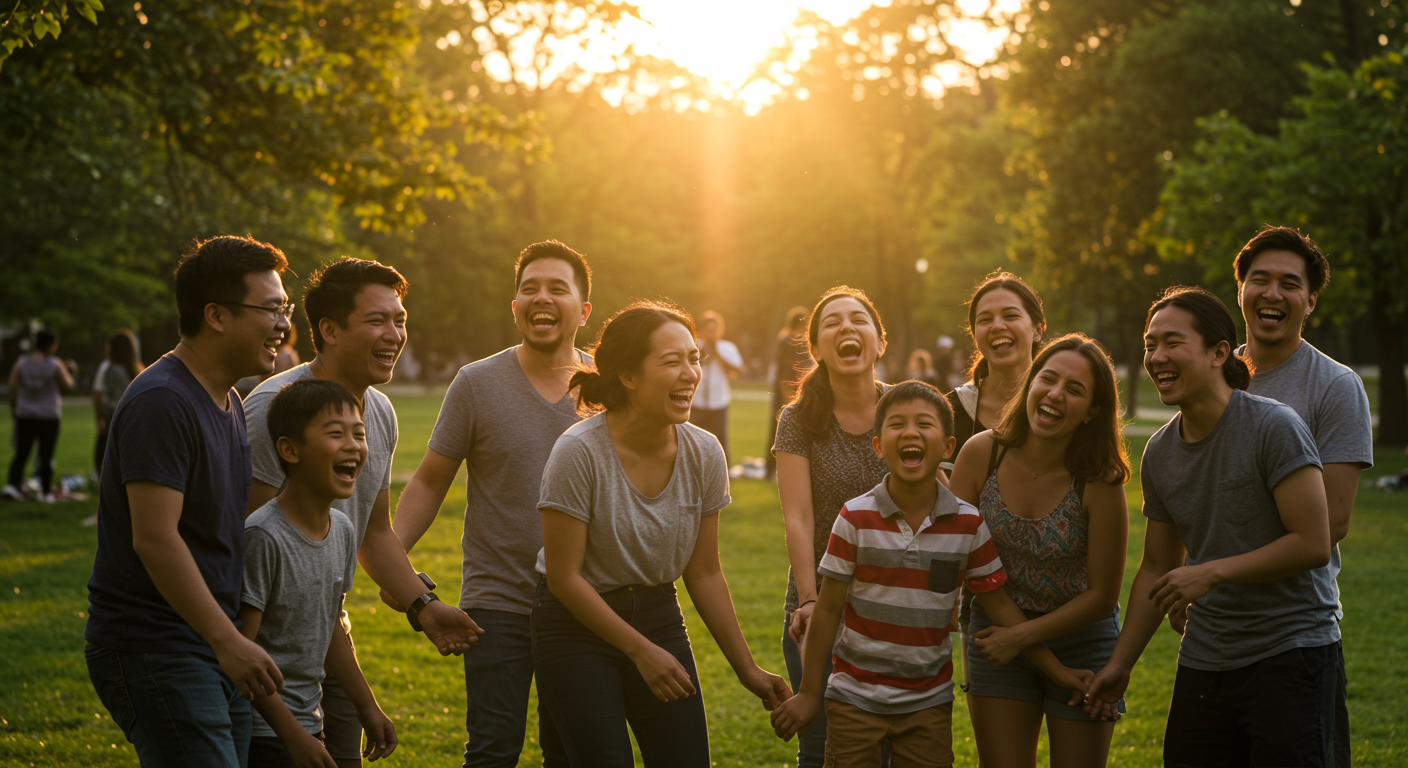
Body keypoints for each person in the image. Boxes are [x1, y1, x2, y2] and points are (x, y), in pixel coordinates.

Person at [770, 381, 1092, 767]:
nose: (910, 432)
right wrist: (808, 694)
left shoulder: (969, 525)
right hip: (854, 702)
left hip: (928, 707)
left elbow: (1001, 607)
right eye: (896, 424)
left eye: (924, 423)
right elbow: (826, 611)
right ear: (878, 447)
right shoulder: (854, 518)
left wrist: (1057, 671)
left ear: (947, 448)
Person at [1084, 287, 1336, 768]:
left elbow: (1312, 543)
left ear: (1220, 352)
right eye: (1149, 344)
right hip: (1205, 658)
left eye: (1172, 343)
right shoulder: (1159, 452)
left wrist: (1212, 572)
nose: (1156, 357)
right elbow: (1157, 565)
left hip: (1290, 652)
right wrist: (1120, 664)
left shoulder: (1273, 427)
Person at [532, 301, 791, 767]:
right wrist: (639, 651)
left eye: (694, 358)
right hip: (575, 626)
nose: (690, 372)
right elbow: (563, 578)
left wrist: (747, 669)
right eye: (672, 361)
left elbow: (705, 571)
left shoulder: (705, 453)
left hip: (657, 613)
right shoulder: (578, 452)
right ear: (628, 376)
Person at [244, 257, 479, 765]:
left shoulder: (379, 412)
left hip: (328, 630)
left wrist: (424, 606)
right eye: (377, 320)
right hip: (268, 650)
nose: (394, 334)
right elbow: (259, 556)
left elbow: (374, 534)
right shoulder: (273, 409)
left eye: (400, 320)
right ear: (328, 330)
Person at [84, 235, 291, 767]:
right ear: (217, 315)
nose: (284, 325)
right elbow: (155, 538)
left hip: (205, 643)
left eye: (284, 308)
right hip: (156, 647)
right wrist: (228, 642)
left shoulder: (227, 402)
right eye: (271, 309)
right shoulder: (163, 401)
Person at [390, 240, 593, 768]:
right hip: (496, 600)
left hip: (584, 604)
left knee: (570, 751)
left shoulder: (607, 387)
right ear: (514, 306)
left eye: (557, 288)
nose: (540, 298)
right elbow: (431, 480)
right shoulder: (477, 383)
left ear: (584, 309)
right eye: (529, 289)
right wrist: (393, 561)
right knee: (492, 748)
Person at [1222, 226, 1369, 768]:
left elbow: (1330, 523)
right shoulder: (1214, 378)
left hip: (1296, 638)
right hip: (1214, 637)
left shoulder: (1334, 386)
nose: (1272, 294)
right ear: (1240, 290)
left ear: (1310, 300)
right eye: (1259, 280)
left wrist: (1211, 572)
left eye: (1290, 284)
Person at [949, 334, 1131, 768]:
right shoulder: (981, 455)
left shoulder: (1099, 479)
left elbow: (1103, 595)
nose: (1055, 395)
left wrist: (1024, 638)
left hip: (1081, 642)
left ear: (1092, 413)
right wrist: (1015, 639)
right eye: (1047, 380)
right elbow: (965, 566)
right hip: (996, 634)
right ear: (1029, 384)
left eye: (1075, 389)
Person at [240, 380, 396, 768]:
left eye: (359, 434)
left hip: (310, 722)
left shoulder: (342, 530)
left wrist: (366, 704)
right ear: (289, 450)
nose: (353, 446)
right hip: (262, 731)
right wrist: (291, 735)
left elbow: (330, 627)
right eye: (335, 434)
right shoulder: (263, 536)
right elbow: (242, 655)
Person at [774, 286, 892, 768]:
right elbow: (798, 517)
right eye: (833, 323)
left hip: (895, 610)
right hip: (821, 611)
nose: (847, 327)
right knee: (822, 749)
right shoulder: (798, 419)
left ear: (879, 341)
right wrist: (808, 598)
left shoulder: (906, 410)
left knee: (891, 747)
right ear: (818, 349)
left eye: (859, 319)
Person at [944, 272, 1045, 725]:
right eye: (984, 319)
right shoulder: (951, 412)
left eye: (1010, 315)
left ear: (1037, 327)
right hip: (985, 606)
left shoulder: (1065, 402)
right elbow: (942, 519)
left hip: (1067, 603)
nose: (997, 326)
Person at [4, 329, 74, 502]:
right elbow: (68, 385)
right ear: (50, 345)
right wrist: (71, 370)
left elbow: (12, 387)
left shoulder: (21, 362)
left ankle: (13, 486)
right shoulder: (54, 363)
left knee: (21, 452)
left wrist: (15, 410)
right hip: (48, 415)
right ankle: (45, 491)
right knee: (46, 455)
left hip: (25, 413)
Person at [690, 310, 743, 465]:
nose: (711, 333)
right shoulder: (695, 346)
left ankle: (723, 469)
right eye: (708, 329)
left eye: (714, 329)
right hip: (697, 401)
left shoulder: (727, 347)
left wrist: (716, 353)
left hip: (719, 401)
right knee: (694, 439)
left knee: (720, 438)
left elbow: (737, 370)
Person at [766, 306, 811, 480]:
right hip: (787, 390)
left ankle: (778, 468)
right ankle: (771, 468)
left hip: (796, 389)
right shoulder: (787, 340)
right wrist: (787, 392)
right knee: (779, 427)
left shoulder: (790, 339)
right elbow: (784, 369)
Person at [93, 329, 143, 481]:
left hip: (115, 417)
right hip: (133, 417)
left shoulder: (112, 369)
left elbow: (109, 398)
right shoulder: (137, 369)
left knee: (104, 455)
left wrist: (101, 417)